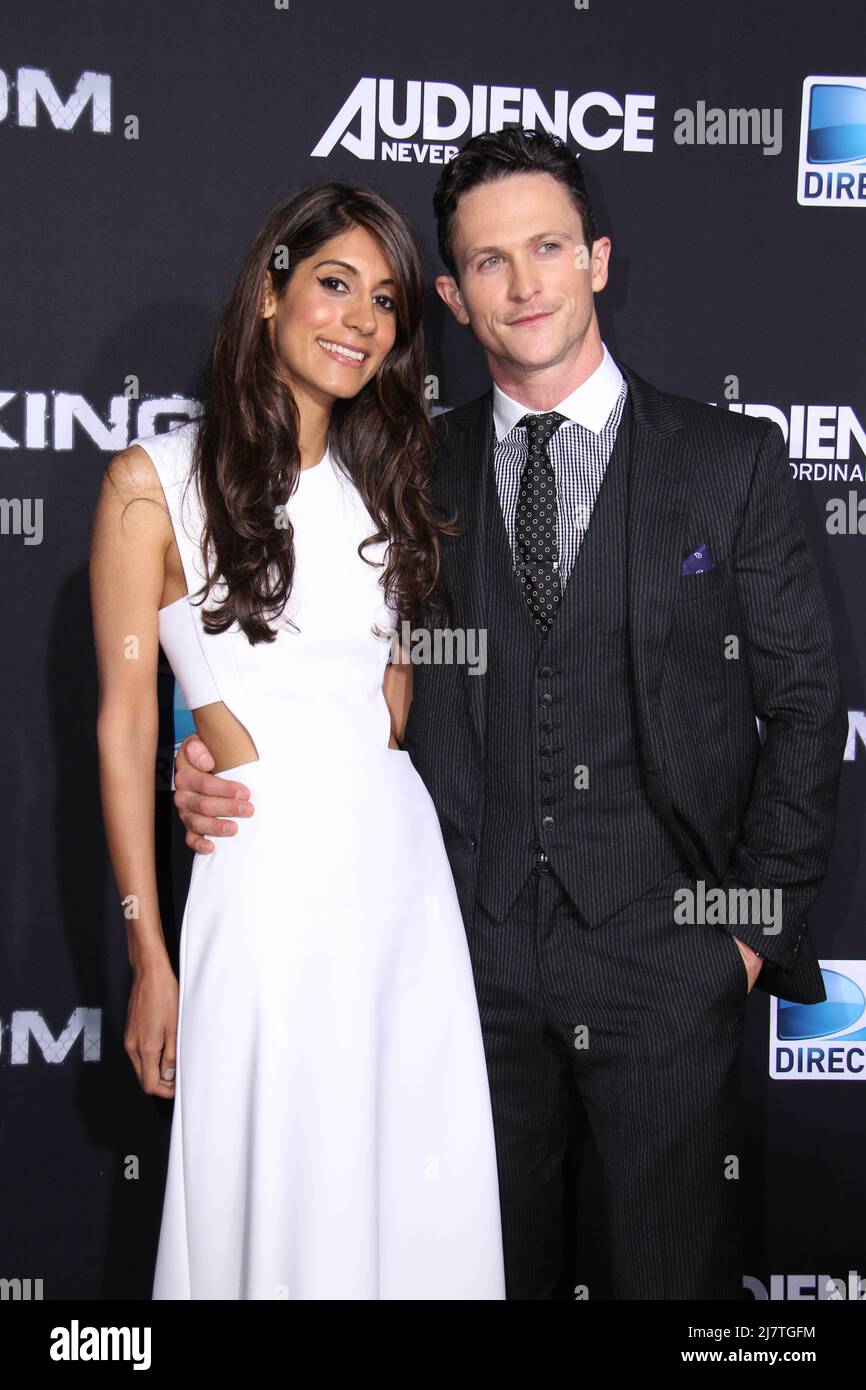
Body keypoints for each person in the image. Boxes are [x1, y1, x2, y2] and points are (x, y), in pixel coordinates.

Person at [171, 131, 847, 1300]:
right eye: (488, 262)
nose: (522, 283)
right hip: (455, 965)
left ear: (595, 259)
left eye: (545, 249)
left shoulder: (726, 462)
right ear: (450, 294)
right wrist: (220, 759)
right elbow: (326, 678)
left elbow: (802, 706)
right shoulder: (398, 472)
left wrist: (738, 943)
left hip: (663, 961)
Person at [90, 180, 506, 1300]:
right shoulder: (151, 486)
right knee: (276, 1205)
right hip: (265, 893)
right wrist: (146, 954)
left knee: (407, 1203)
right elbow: (130, 725)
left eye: (384, 302)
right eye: (333, 283)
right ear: (271, 289)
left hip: (402, 892)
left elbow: (389, 715)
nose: (359, 321)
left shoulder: (393, 492)